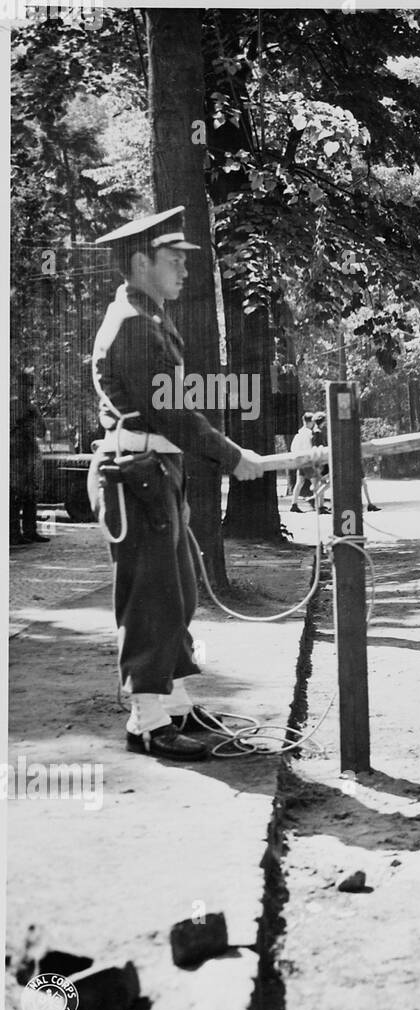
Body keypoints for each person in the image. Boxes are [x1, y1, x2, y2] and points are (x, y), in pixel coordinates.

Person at [88, 206, 265, 760]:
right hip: (134, 475)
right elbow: (174, 414)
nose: (185, 271)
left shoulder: (148, 316)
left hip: (155, 474)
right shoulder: (135, 326)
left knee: (179, 589)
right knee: (149, 596)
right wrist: (231, 455)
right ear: (141, 262)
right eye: (174, 260)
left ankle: (177, 704)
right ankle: (146, 721)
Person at [10, 368, 50, 545]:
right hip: (14, 457)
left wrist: (32, 426)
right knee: (14, 495)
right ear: (16, 386)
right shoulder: (10, 406)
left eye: (30, 387)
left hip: (30, 455)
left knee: (31, 494)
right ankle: (13, 533)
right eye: (24, 386)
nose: (27, 390)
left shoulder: (33, 408)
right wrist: (18, 426)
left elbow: (42, 431)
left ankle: (30, 530)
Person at [287, 412, 316, 513]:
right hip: (307, 461)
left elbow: (292, 448)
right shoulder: (308, 434)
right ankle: (318, 505)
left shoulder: (298, 434)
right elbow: (309, 447)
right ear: (311, 422)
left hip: (300, 460)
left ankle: (293, 504)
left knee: (299, 483)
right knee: (316, 482)